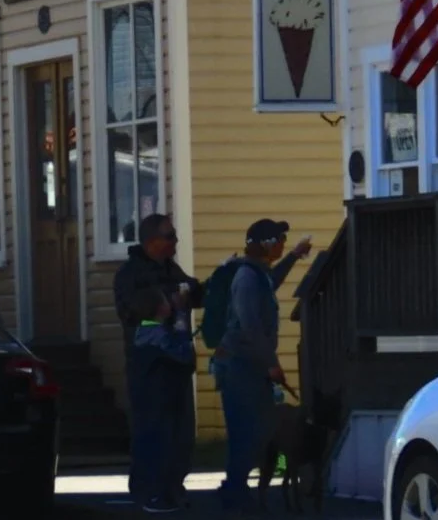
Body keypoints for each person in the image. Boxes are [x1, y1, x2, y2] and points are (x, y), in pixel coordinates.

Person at [214, 219, 313, 514]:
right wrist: (271, 365)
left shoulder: (259, 275)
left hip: (251, 365)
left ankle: (252, 487)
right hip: (239, 366)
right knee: (245, 431)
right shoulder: (246, 278)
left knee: (263, 431)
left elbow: (274, 281)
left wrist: (295, 256)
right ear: (267, 244)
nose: (283, 243)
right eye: (280, 240)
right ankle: (235, 493)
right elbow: (250, 326)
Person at [113, 213, 201, 508]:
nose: (176, 241)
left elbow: (194, 291)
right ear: (152, 241)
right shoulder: (130, 274)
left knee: (180, 432)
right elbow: (134, 311)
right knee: (153, 429)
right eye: (170, 236)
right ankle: (148, 491)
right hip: (149, 365)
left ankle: (172, 488)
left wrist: (209, 286)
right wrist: (169, 299)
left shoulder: (170, 269)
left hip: (176, 361)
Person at [127, 286, 194, 515]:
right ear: (160, 308)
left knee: (150, 444)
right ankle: (158, 495)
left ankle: (147, 491)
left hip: (148, 400)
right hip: (164, 399)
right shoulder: (160, 336)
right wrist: (182, 315)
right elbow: (185, 356)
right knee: (165, 446)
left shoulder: (141, 333)